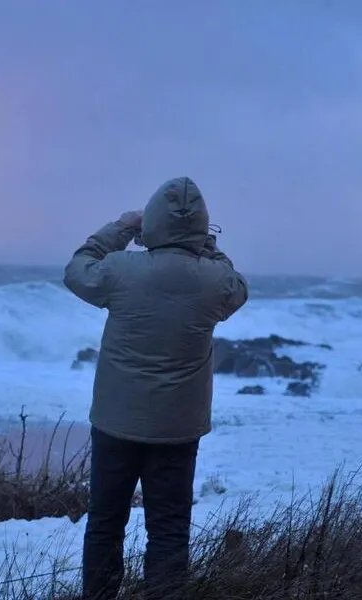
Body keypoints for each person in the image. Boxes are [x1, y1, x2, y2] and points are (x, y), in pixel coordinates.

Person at [63, 176, 249, 599]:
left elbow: (77, 270)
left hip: (115, 423)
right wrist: (204, 244)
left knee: (106, 522)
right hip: (177, 429)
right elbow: (235, 284)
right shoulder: (214, 282)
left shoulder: (120, 269)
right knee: (168, 529)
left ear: (151, 224)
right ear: (202, 229)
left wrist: (122, 227)